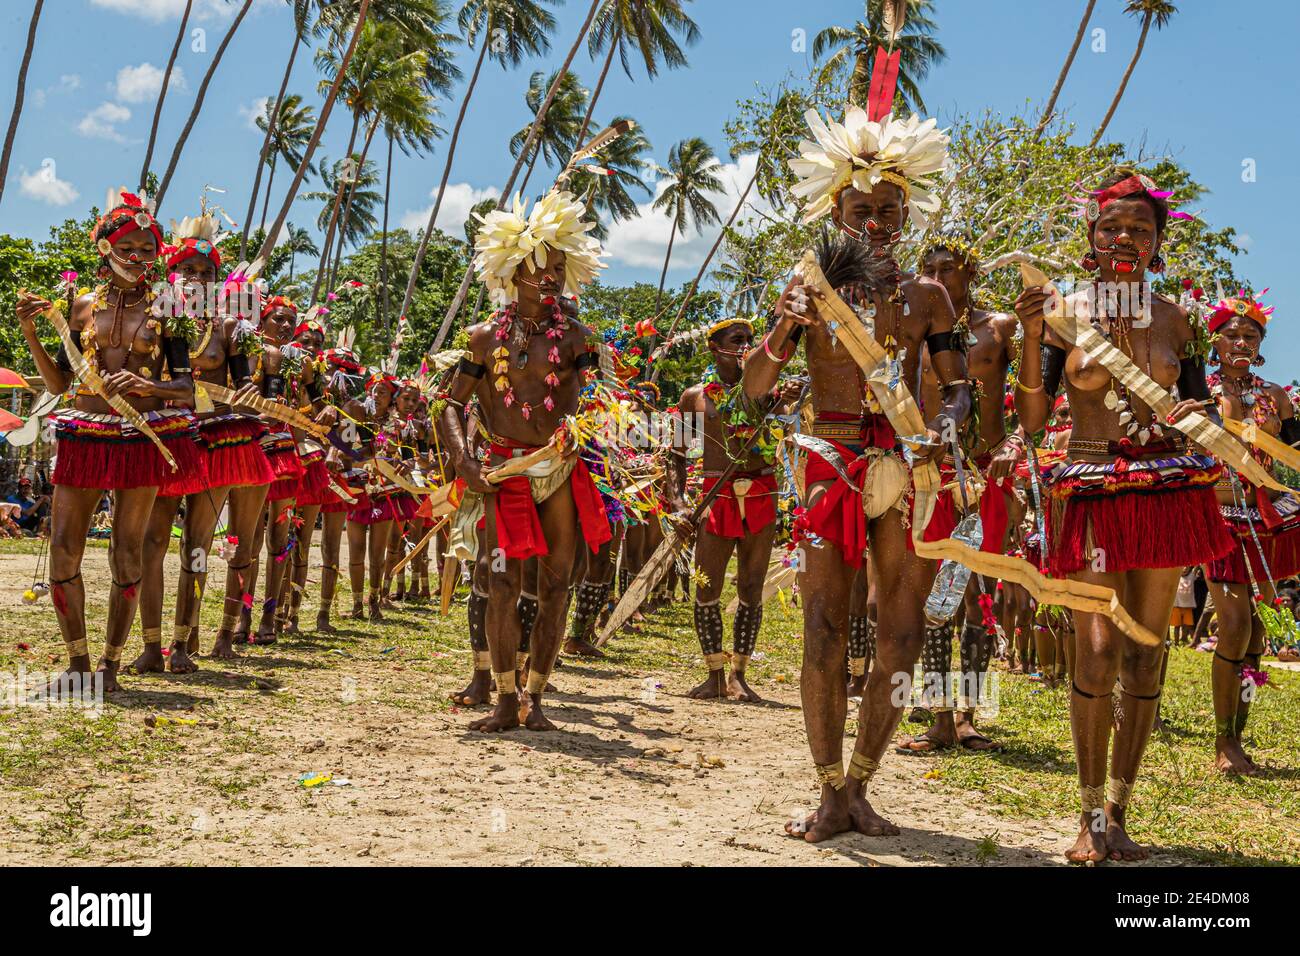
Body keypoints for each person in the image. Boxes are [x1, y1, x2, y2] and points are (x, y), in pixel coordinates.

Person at [744, 105, 972, 841]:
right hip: (828, 460)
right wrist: (784, 322)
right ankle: (827, 791)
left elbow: (958, 383)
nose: (875, 221)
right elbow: (753, 387)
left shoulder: (930, 297)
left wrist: (944, 425)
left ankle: (864, 786)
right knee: (823, 627)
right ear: (837, 212)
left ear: (905, 216)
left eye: (888, 210)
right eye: (861, 209)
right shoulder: (808, 285)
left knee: (901, 634)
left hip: (904, 462)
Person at [1014, 169, 1234, 862]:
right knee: (1100, 650)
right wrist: (1028, 337)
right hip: (1090, 489)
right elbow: (1029, 417)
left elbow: (1202, 410)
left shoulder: (1177, 320)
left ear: (1158, 243)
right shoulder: (1062, 313)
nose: (1125, 239)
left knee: (1146, 652)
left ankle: (1118, 811)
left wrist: (1204, 416)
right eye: (1112, 227)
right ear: (1092, 237)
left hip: (1168, 493)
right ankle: (1084, 815)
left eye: (1141, 229)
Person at [440, 188, 611, 732]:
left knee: (558, 583)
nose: (549, 277)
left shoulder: (579, 337)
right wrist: (465, 460)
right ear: (512, 272)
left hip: (557, 470)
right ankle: (504, 697)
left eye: (558, 268)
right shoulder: (483, 337)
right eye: (538, 267)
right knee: (501, 584)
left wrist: (603, 416)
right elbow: (449, 403)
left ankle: (536, 696)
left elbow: (602, 397)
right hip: (501, 472)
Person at [16, 188, 197, 693]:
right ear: (104, 248)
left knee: (125, 551)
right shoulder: (80, 308)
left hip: (140, 436)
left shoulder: (170, 309)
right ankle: (77, 665)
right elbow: (58, 385)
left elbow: (186, 388)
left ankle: (111, 668)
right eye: (128, 247)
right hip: (85, 434)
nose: (138, 258)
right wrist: (32, 330)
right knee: (63, 548)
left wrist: (148, 386)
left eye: (147, 250)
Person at [897, 234, 1024, 753]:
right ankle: (938, 716)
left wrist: (1018, 438)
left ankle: (969, 715)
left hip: (986, 467)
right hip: (930, 471)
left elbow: (1044, 387)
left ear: (971, 274)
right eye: (928, 268)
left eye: (948, 268)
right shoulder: (916, 330)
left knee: (979, 596)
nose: (937, 277)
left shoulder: (1001, 329)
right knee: (934, 595)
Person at [134, 208, 271, 672]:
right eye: (186, 270)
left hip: (213, 442)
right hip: (163, 439)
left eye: (205, 272)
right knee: (151, 542)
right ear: (170, 273)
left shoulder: (232, 327)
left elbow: (244, 389)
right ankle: (150, 644)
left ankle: (181, 644)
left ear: (217, 280)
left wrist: (248, 394)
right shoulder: (152, 319)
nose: (195, 279)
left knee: (197, 542)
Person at [671, 317, 798, 701]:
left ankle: (739, 676)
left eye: (749, 339)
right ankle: (713, 673)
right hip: (715, 496)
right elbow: (676, 454)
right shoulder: (694, 397)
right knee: (705, 585)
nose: (745, 346)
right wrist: (679, 505)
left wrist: (785, 400)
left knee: (750, 586)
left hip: (761, 491)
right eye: (736, 340)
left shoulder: (768, 392)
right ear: (714, 347)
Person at [1199, 293, 1300, 774]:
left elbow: (1296, 453)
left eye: (1250, 335)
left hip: (1265, 519)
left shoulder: (1276, 396)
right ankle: (1223, 742)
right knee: (1235, 626)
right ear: (1214, 341)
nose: (1241, 341)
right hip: (1216, 515)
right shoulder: (1198, 392)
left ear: (1261, 343)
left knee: (1257, 630)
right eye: (1232, 334)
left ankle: (1236, 734)